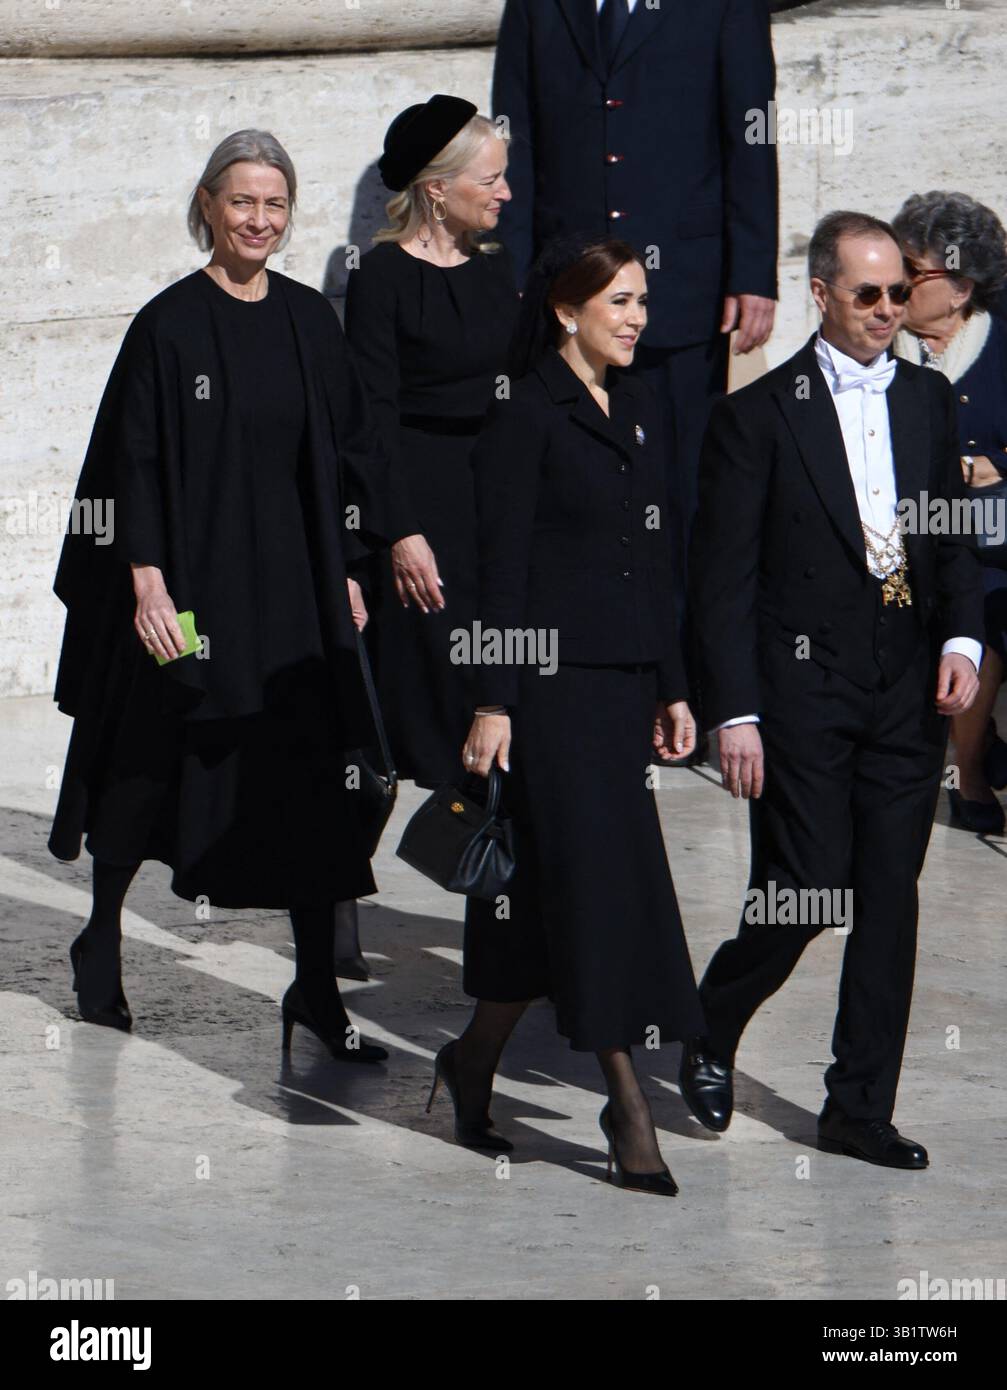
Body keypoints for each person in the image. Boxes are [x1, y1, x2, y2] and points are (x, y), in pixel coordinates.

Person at [48, 129, 392, 1063]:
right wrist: (146, 581)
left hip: (293, 597)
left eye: (274, 204)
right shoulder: (167, 326)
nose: (259, 220)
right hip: (189, 592)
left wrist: (355, 571)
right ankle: (101, 938)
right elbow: (132, 461)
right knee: (149, 765)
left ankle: (317, 989)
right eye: (241, 201)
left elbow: (351, 453)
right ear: (206, 205)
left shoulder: (308, 322)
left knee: (312, 784)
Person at [681, 211, 983, 1170]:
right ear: (820, 294)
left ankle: (856, 1108)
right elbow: (721, 581)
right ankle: (708, 1023)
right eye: (867, 294)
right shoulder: (756, 416)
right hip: (802, 692)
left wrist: (964, 638)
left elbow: (949, 534)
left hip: (905, 686)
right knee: (804, 894)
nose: (888, 310)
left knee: (889, 900)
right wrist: (734, 711)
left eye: (900, 291)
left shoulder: (929, 404)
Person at [427, 237, 705, 1197]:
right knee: (599, 891)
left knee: (547, 902)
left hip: (622, 687)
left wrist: (671, 684)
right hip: (545, 693)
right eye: (617, 301)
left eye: (640, 301)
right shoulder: (523, 411)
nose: (634, 318)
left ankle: (471, 1062)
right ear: (564, 309)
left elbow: (654, 561)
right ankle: (626, 1104)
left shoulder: (636, 405)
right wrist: (494, 699)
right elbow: (494, 565)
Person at [491, 0, 778, 621]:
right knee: (574, 486)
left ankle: (679, 678)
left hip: (684, 292)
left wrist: (753, 270)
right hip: (567, 287)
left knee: (679, 493)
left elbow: (751, 126)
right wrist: (517, 271)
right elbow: (516, 131)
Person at [345, 95, 519, 789]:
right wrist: (399, 531)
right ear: (437, 188)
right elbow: (369, 417)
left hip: (497, 495)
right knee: (434, 693)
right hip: (422, 501)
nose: (506, 193)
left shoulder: (499, 267)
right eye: (490, 180)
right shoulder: (381, 276)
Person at [892, 190, 1007, 834]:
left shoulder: (1001, 345)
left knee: (986, 590)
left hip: (992, 538)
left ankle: (969, 770)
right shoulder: (878, 349)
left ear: (960, 287)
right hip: (899, 538)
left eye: (913, 272)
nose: (895, 286)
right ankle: (965, 767)